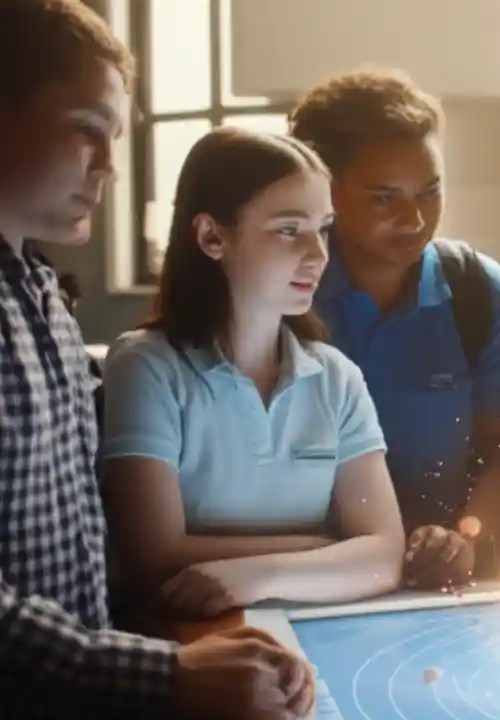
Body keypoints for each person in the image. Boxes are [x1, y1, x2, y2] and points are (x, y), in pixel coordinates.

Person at [0, 2, 312, 717]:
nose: (111, 167)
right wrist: (168, 673)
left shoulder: (42, 294)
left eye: (116, 138)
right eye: (87, 131)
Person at [100, 127, 405, 620]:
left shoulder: (337, 379)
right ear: (211, 237)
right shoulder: (146, 367)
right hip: (186, 649)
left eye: (322, 227)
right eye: (290, 229)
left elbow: (384, 557)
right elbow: (152, 558)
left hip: (311, 640)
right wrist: (323, 548)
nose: (319, 253)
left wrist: (260, 575)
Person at [289, 68, 500, 586]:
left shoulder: (478, 294)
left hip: (445, 582)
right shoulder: (280, 299)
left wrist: (464, 538)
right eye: (384, 198)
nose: (415, 219)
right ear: (323, 192)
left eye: (430, 192)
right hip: (311, 577)